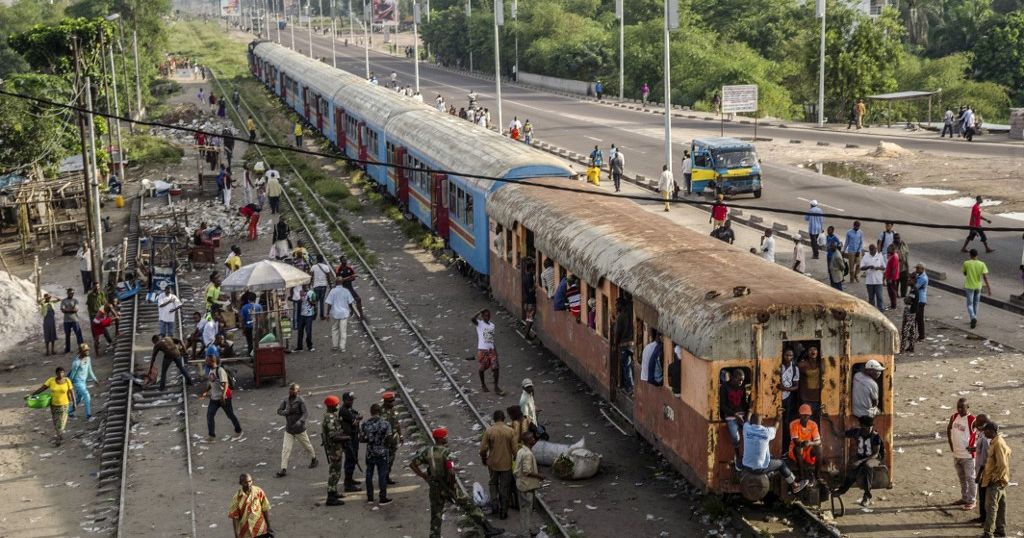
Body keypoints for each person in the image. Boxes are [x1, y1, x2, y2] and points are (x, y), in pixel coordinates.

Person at [410, 427, 504, 538]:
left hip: (435, 488)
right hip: (448, 486)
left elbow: (412, 464)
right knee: (470, 506)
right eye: (445, 436)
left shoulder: (427, 451)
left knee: (436, 515)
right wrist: (452, 486)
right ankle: (488, 528)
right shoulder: (446, 452)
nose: (447, 438)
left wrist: (424, 476)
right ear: (441, 438)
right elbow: (451, 472)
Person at [740, 414, 809, 494]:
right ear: (762, 422)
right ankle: (795, 485)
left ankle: (769, 473)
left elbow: (747, 419)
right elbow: (775, 428)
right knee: (781, 463)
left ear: (750, 422)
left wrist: (750, 410)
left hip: (747, 467)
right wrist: (777, 419)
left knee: (769, 456)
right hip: (760, 468)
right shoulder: (766, 432)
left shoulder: (746, 428)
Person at [836, 416, 883, 506]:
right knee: (852, 470)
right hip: (861, 457)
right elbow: (840, 434)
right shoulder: (857, 432)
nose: (869, 430)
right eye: (866, 428)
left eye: (870, 428)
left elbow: (875, 454)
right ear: (862, 427)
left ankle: (867, 496)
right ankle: (842, 490)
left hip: (874, 458)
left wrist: (860, 461)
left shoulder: (875, 436)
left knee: (867, 465)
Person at [480, 409, 517, 519]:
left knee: (493, 483)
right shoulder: (510, 431)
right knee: (504, 487)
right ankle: (503, 511)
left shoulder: (489, 431)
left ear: (494, 419)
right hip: (506, 463)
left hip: (493, 463)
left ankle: (494, 505)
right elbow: (515, 450)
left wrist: (484, 458)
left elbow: (483, 448)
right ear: (504, 418)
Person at [276, 383, 317, 477]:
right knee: (286, 449)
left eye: (293, 390)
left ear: (298, 392)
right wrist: (285, 412)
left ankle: (314, 459)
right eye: (290, 389)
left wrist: (300, 422)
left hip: (299, 430)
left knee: (307, 445)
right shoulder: (286, 400)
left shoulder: (300, 401)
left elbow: (305, 413)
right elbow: (279, 410)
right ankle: (283, 469)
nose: (291, 391)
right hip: (289, 429)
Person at [198, 354, 242, 440]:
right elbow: (212, 383)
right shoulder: (211, 371)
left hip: (224, 398)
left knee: (230, 415)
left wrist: (223, 396)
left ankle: (238, 430)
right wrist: (205, 391)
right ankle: (211, 436)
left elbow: (225, 384)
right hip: (214, 398)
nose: (205, 362)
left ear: (212, 361)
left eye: (207, 361)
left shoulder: (220, 370)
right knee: (209, 415)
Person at [29, 366, 75, 446]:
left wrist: (74, 403)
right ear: (56, 373)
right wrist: (33, 394)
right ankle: (59, 435)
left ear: (64, 373)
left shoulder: (67, 381)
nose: (61, 374)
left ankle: (58, 438)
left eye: (62, 372)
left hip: (64, 405)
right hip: (53, 405)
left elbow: (72, 392)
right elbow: (42, 388)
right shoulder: (51, 380)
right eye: (59, 373)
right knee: (56, 422)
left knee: (61, 422)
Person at [980, 421, 1010, 538]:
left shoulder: (997, 443)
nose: (984, 432)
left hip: (996, 481)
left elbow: (1002, 464)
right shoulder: (998, 441)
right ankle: (1000, 530)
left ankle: (988, 533)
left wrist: (995, 477)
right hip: (1002, 479)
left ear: (992, 431)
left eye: (986, 430)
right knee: (1001, 506)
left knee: (991, 507)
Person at [947, 397, 978, 510]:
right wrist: (951, 445)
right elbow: (948, 429)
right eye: (958, 407)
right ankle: (964, 498)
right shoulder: (954, 417)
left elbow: (984, 434)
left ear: (967, 407)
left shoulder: (972, 420)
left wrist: (975, 448)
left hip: (968, 457)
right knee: (962, 478)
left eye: (962, 407)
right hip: (957, 455)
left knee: (971, 478)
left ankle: (972, 500)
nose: (960, 410)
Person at [361, 403, 393, 504]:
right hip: (382, 452)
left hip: (370, 452)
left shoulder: (365, 424)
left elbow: (361, 439)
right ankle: (382, 498)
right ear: (380, 411)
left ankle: (370, 497)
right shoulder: (386, 424)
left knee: (369, 474)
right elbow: (389, 438)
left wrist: (371, 440)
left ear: (371, 412)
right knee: (382, 475)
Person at [514, 430, 544, 537]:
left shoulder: (521, 451)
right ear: (528, 441)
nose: (534, 439)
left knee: (526, 509)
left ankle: (528, 529)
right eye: (532, 438)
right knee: (526, 510)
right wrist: (539, 476)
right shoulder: (527, 454)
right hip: (526, 486)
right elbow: (527, 471)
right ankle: (525, 533)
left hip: (521, 484)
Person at [719, 368, 750, 465]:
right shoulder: (724, 387)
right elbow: (723, 405)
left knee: (749, 433)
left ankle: (748, 455)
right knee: (735, 437)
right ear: (733, 378)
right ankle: (737, 455)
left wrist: (746, 415)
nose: (741, 382)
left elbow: (744, 402)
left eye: (742, 380)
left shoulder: (742, 387)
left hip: (741, 414)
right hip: (730, 415)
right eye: (739, 380)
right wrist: (734, 414)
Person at [321, 395, 347, 506]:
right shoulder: (330, 418)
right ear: (332, 406)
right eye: (337, 404)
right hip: (334, 449)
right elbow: (333, 436)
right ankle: (331, 498)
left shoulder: (331, 416)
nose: (338, 406)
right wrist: (346, 438)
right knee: (334, 473)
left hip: (335, 449)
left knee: (336, 472)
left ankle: (334, 491)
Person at [228, 474, 271, 538]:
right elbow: (235, 518)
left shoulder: (258, 491)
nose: (248, 484)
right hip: (246, 532)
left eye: (250, 481)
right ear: (240, 483)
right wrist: (236, 535)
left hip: (260, 529)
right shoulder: (236, 498)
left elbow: (265, 508)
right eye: (245, 482)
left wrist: (269, 526)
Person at [472, 309, 504, 395]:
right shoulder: (479, 324)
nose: (487, 317)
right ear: (482, 316)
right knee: (482, 368)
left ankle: (496, 387)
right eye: (485, 315)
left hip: (491, 350)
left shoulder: (492, 326)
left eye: (488, 315)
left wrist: (495, 351)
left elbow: (491, 339)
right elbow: (472, 319)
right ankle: (483, 385)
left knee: (495, 367)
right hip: (482, 350)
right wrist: (479, 312)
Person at [788, 404, 822, 481]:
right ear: (800, 415)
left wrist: (810, 443)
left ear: (810, 415)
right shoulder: (793, 424)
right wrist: (803, 444)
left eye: (807, 415)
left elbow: (818, 441)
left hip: (808, 450)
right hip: (796, 452)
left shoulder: (813, 425)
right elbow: (796, 442)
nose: (805, 417)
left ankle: (818, 476)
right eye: (803, 415)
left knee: (819, 449)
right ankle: (802, 476)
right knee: (797, 448)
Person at [339, 391, 363, 492]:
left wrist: (357, 418)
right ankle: (348, 485)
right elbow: (354, 421)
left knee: (353, 458)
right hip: (348, 438)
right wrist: (357, 419)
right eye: (350, 400)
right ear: (345, 401)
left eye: (352, 400)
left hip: (353, 436)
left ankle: (349, 479)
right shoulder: (344, 410)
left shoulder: (349, 409)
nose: (352, 402)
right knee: (350, 459)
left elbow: (357, 416)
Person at [67, 344, 98, 420]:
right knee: (87, 395)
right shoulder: (76, 362)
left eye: (88, 350)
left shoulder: (88, 359)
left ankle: (69, 412)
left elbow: (90, 370)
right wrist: (69, 383)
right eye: (85, 350)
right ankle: (88, 415)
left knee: (79, 398)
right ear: (81, 351)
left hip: (83, 382)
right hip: (77, 382)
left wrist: (95, 379)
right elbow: (73, 374)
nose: (87, 352)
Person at [962, 248, 991, 329]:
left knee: (969, 304)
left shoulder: (966, 263)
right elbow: (985, 277)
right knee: (976, 303)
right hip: (978, 286)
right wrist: (989, 288)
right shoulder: (982, 264)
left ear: (970, 255)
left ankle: (973, 317)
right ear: (977, 255)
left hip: (969, 286)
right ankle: (974, 317)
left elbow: (964, 273)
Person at [324, 279, 356, 352]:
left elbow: (329, 303)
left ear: (336, 283)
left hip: (335, 313)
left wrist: (327, 313)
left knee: (335, 329)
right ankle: (342, 347)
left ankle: (335, 346)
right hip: (344, 313)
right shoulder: (346, 291)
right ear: (342, 283)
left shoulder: (332, 291)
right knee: (343, 330)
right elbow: (350, 302)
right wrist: (352, 310)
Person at [972, 414, 991, 525]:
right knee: (982, 496)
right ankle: (982, 517)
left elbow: (985, 460)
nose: (976, 424)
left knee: (986, 497)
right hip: (981, 470)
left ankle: (986, 520)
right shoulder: (983, 434)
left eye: (978, 422)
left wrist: (979, 475)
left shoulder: (986, 438)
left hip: (984, 472)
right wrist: (974, 448)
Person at [779, 348, 800, 448]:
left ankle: (785, 445)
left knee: (786, 421)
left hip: (787, 398)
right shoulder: (779, 366)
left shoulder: (795, 369)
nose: (788, 357)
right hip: (776, 398)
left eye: (790, 355)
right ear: (783, 356)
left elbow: (796, 386)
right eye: (787, 355)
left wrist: (786, 388)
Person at [611, 300, 634, 391]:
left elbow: (617, 333)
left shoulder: (620, 317)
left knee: (626, 366)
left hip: (624, 344)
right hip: (632, 343)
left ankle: (629, 387)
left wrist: (615, 344)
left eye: (617, 306)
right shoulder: (630, 314)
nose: (615, 307)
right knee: (630, 365)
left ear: (621, 306)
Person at [381, 392, 403, 484]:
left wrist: (400, 435)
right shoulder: (380, 412)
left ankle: (387, 476)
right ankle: (383, 477)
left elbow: (397, 424)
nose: (392, 403)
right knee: (384, 459)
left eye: (393, 401)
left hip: (393, 438)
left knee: (391, 458)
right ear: (385, 402)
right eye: (390, 401)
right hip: (384, 440)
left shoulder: (393, 410)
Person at [797, 347, 823, 418]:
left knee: (817, 418)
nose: (813, 351)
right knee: (806, 418)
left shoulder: (821, 363)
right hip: (806, 397)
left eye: (815, 349)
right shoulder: (802, 364)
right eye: (810, 350)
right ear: (807, 352)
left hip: (819, 397)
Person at [860, 244, 886, 311]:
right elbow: (861, 267)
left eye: (873, 249)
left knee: (879, 297)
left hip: (878, 281)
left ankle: (881, 310)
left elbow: (884, 267)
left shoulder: (880, 256)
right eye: (870, 250)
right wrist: (868, 267)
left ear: (876, 249)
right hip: (869, 281)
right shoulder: (866, 256)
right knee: (871, 298)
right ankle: (872, 310)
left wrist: (878, 268)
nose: (872, 251)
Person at [884, 244, 901, 310]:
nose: (888, 249)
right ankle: (892, 305)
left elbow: (894, 269)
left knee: (892, 292)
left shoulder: (894, 257)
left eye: (890, 248)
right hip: (890, 277)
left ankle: (893, 305)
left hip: (892, 278)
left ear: (893, 249)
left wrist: (890, 278)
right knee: (891, 291)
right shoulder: (893, 256)